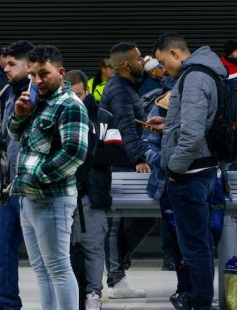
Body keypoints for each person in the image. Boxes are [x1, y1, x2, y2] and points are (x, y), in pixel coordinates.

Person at [9, 45, 89, 310]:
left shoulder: (69, 106)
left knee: (58, 268)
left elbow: (75, 153)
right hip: (29, 199)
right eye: (32, 75)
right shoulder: (37, 100)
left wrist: (38, 177)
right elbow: (14, 135)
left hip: (51, 198)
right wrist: (20, 115)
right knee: (42, 269)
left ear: (61, 72)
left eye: (44, 74)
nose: (38, 81)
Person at [149, 32, 225, 310]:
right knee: (199, 241)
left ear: (175, 54)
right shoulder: (209, 73)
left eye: (162, 61)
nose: (162, 68)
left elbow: (192, 135)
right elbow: (197, 122)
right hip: (204, 169)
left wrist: (174, 168)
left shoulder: (193, 77)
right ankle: (200, 299)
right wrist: (168, 124)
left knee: (193, 246)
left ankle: (201, 302)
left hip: (190, 173)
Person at [66, 69, 125, 310]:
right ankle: (71, 295)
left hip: (93, 193)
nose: (76, 101)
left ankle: (93, 294)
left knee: (93, 248)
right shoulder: (62, 114)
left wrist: (83, 154)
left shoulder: (104, 117)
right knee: (65, 251)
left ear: (87, 91)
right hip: (66, 194)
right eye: (72, 96)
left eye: (79, 95)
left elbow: (116, 152)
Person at [101, 42, 153, 299]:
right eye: (138, 58)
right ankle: (116, 278)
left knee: (146, 216)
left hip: (124, 162)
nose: (142, 61)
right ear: (125, 65)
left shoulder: (125, 87)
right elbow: (124, 127)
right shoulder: (119, 90)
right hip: (121, 164)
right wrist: (138, 159)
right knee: (116, 222)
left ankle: (119, 268)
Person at [0, 40, 34, 310]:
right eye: (4, 64)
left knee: (45, 256)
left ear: (29, 65)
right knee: (0, 246)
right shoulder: (8, 93)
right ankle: (7, 304)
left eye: (12, 64)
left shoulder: (40, 94)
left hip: (33, 187)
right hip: (8, 189)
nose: (5, 69)